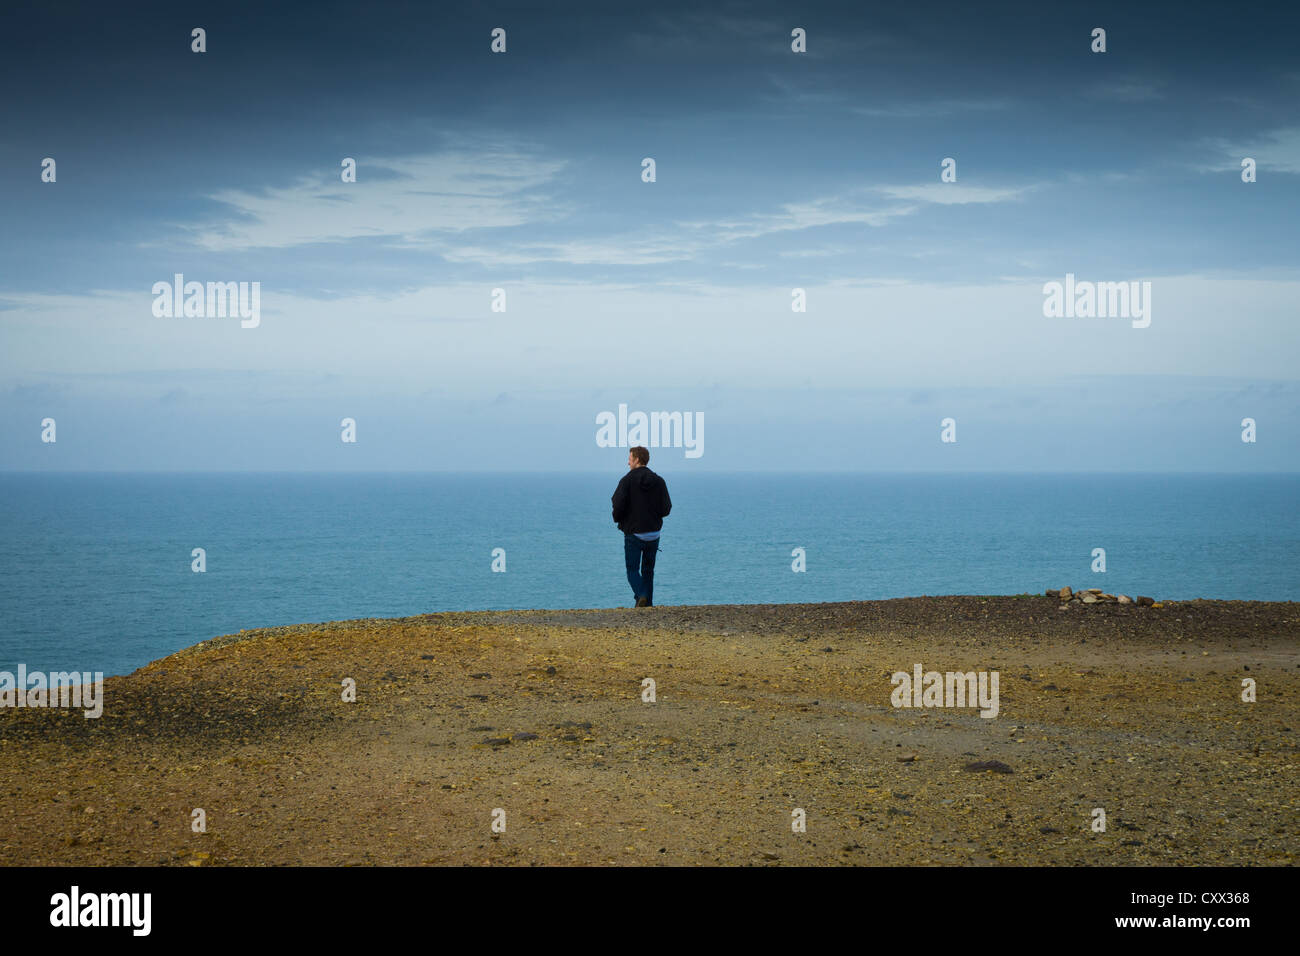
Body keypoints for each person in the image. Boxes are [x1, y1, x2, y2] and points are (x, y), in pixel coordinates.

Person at [611, 445, 671, 607]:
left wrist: (619, 519)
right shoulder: (659, 481)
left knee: (632, 570)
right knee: (648, 571)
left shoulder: (627, 480)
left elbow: (617, 504)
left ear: (637, 459)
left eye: (630, 459)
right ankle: (646, 605)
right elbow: (667, 508)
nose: (628, 463)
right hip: (654, 534)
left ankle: (642, 595)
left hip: (634, 533)